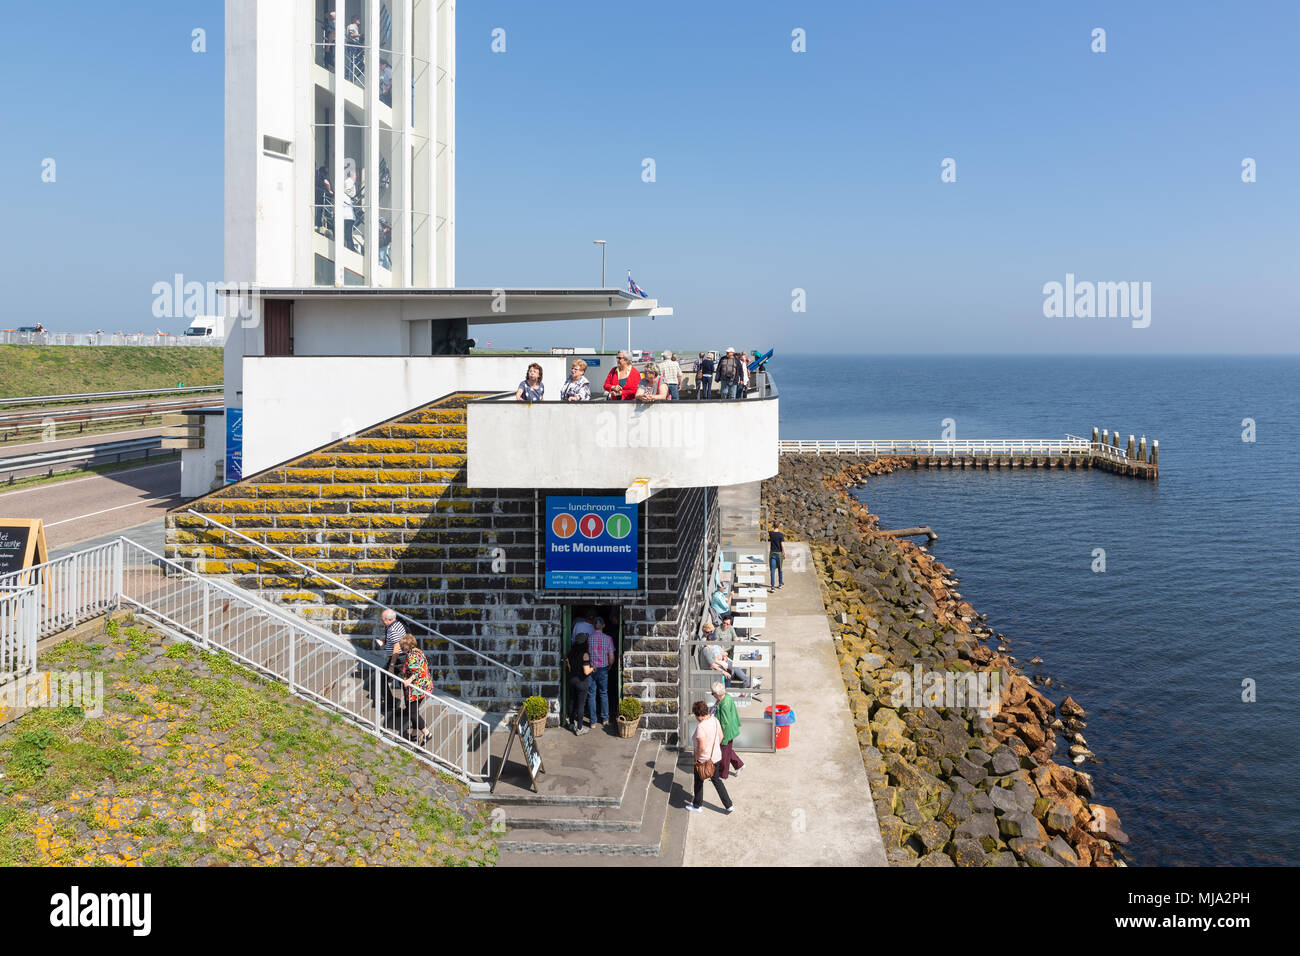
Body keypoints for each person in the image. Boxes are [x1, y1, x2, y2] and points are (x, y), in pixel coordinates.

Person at [687, 699, 733, 813]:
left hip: (703, 760)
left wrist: (697, 758)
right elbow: (721, 736)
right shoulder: (715, 720)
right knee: (716, 780)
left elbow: (701, 748)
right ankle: (729, 805)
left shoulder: (701, 727)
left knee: (698, 782)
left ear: (699, 715)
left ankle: (697, 806)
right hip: (716, 757)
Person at [397, 633, 433, 745]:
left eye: (402, 647)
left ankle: (426, 733)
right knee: (413, 710)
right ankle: (413, 734)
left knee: (412, 713)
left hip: (416, 688)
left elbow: (417, 671)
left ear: (405, 647)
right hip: (425, 686)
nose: (401, 649)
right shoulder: (418, 651)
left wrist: (409, 680)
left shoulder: (411, 656)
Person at [711, 681, 745, 779]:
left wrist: (723, 738)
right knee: (727, 750)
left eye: (713, 693)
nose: (712, 695)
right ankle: (739, 765)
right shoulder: (726, 697)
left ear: (717, 694)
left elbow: (725, 722)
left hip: (725, 732)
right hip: (729, 730)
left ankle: (723, 774)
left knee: (723, 754)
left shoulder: (724, 703)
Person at [586, 616, 615, 727]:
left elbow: (586, 654)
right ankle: (605, 719)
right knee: (603, 693)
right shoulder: (608, 639)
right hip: (603, 669)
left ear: (593, 626)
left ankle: (593, 722)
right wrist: (610, 665)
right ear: (603, 626)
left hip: (592, 668)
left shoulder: (589, 638)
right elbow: (611, 657)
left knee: (591, 694)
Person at [564, 632, 593, 735]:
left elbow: (568, 667)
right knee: (581, 705)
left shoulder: (570, 652)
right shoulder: (585, 654)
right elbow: (586, 671)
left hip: (572, 680)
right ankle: (580, 728)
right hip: (581, 681)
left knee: (572, 702)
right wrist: (593, 668)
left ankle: (571, 723)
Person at [341, 168, 357, 251]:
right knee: (348, 234)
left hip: (346, 215)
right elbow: (349, 191)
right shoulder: (349, 181)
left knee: (346, 234)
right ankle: (350, 249)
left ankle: (349, 248)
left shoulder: (347, 182)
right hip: (347, 215)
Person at [768, 526, 786, 591]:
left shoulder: (771, 533)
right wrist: (784, 553)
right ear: (779, 526)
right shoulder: (781, 535)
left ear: (773, 526)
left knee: (772, 571)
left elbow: (768, 531)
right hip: (779, 554)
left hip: (772, 554)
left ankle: (772, 587)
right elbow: (782, 546)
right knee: (780, 569)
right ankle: (780, 584)